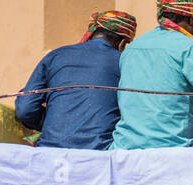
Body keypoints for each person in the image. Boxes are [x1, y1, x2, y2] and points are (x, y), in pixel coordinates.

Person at [112, 2, 193, 150]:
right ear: (192, 21)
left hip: (125, 145)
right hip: (174, 145)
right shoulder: (189, 47)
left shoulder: (132, 48)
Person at [14, 11, 137, 151]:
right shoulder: (124, 62)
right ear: (122, 43)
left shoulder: (56, 55)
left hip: (50, 152)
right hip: (98, 154)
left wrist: (53, 123)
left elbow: (24, 109)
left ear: (92, 33)